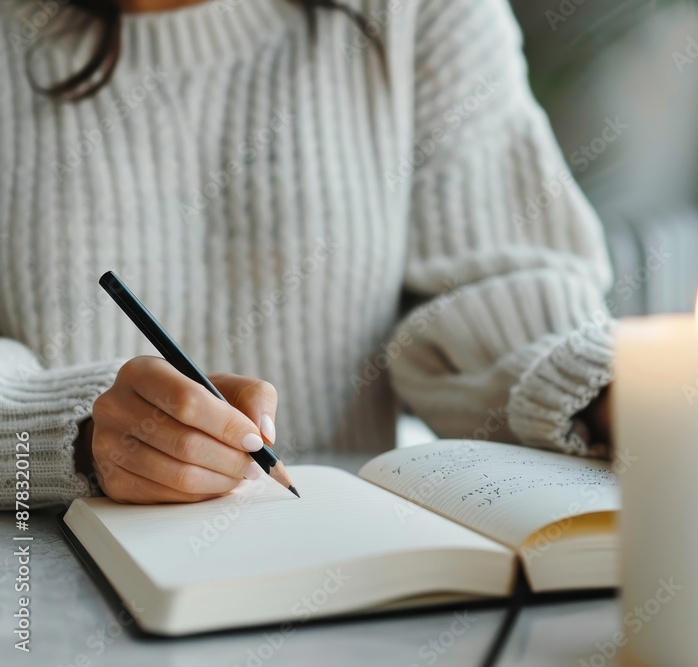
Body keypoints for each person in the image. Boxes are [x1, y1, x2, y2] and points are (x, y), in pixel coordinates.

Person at [0, 0, 614, 508]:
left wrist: (598, 390)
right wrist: (69, 433)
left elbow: (498, 279)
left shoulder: (420, 13)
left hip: (347, 581)